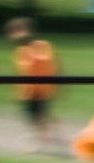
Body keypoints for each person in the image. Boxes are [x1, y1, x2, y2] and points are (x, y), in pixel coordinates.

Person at [7, 15, 62, 154]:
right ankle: (42, 137)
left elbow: (47, 61)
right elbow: (22, 70)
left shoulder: (42, 46)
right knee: (32, 116)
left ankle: (44, 139)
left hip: (41, 89)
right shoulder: (19, 51)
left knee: (41, 115)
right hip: (27, 91)